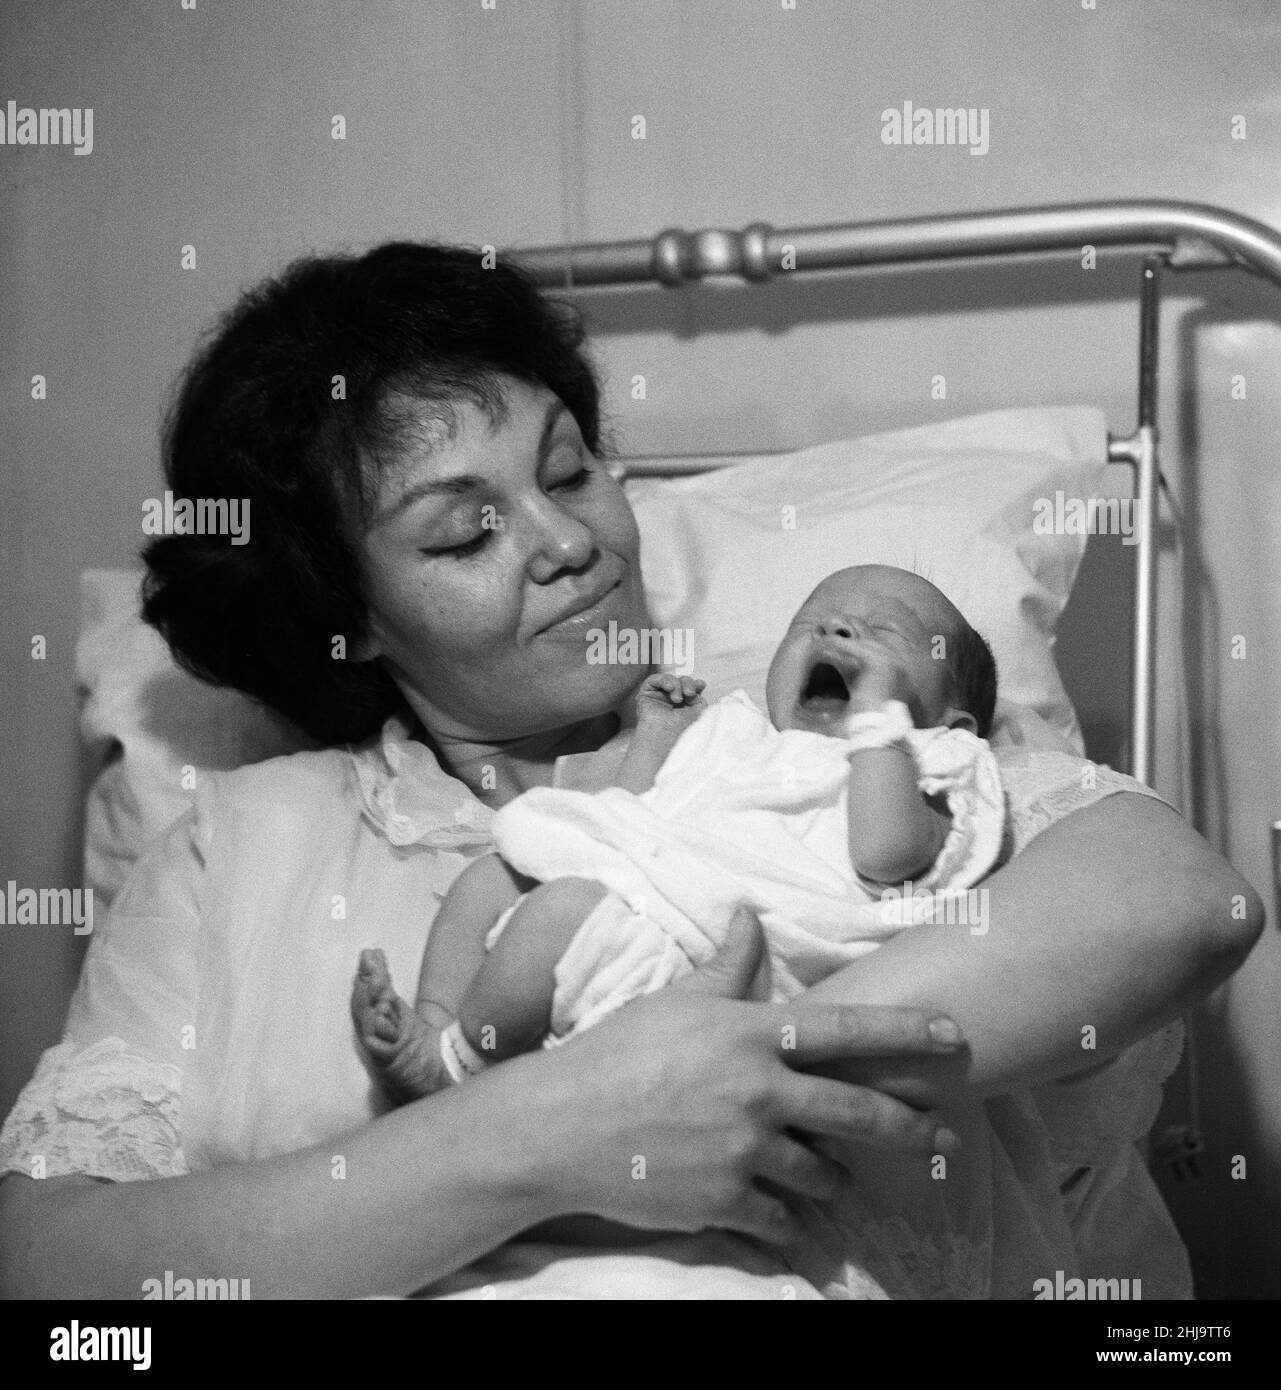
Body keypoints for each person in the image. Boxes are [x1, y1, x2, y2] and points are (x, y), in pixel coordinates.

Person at [0, 242, 1262, 1300]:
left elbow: (1184, 902)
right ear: (350, 610)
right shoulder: (241, 850)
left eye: (568, 469)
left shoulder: (804, 743)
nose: (569, 540)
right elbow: (49, 1274)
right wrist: (542, 1136)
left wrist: (731, 1072)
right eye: (465, 532)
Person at [352, 563, 1007, 1101]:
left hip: (707, 951)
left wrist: (877, 723)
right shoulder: (738, 733)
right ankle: (434, 1025)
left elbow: (885, 856)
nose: (836, 628)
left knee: (560, 911)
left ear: (953, 721)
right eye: (810, 622)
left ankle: (459, 1068)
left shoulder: (929, 764)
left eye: (882, 631)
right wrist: (659, 740)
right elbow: (635, 815)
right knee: (491, 874)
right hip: (644, 888)